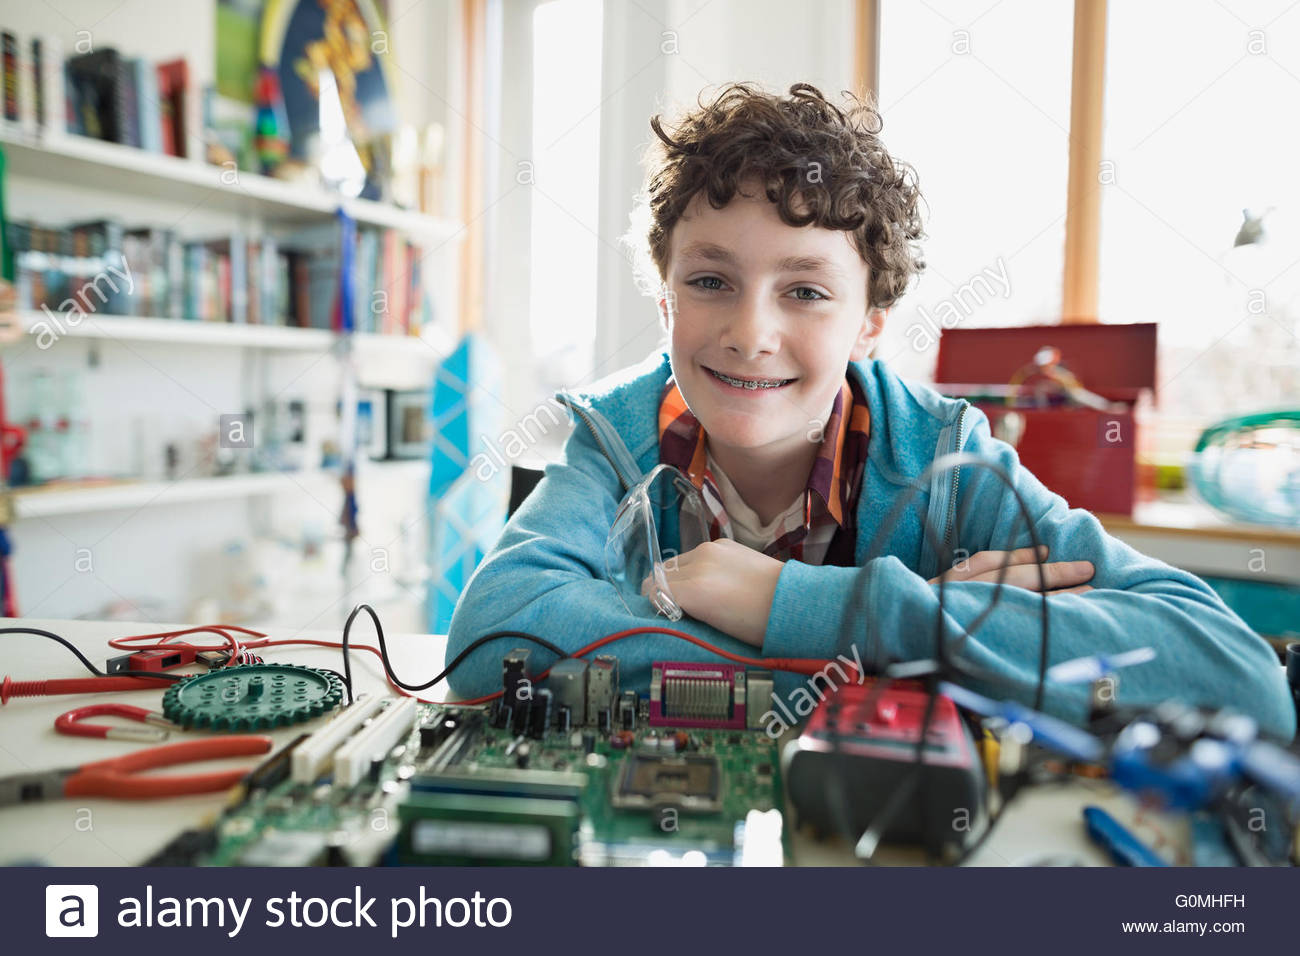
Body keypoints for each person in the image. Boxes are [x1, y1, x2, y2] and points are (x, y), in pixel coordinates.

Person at [446, 82, 1295, 740]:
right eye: (710, 282)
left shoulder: (948, 463)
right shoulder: (613, 441)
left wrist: (796, 602)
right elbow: (492, 641)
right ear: (666, 304)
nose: (750, 334)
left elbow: (1237, 681)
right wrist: (925, 645)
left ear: (869, 326)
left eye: (806, 291)